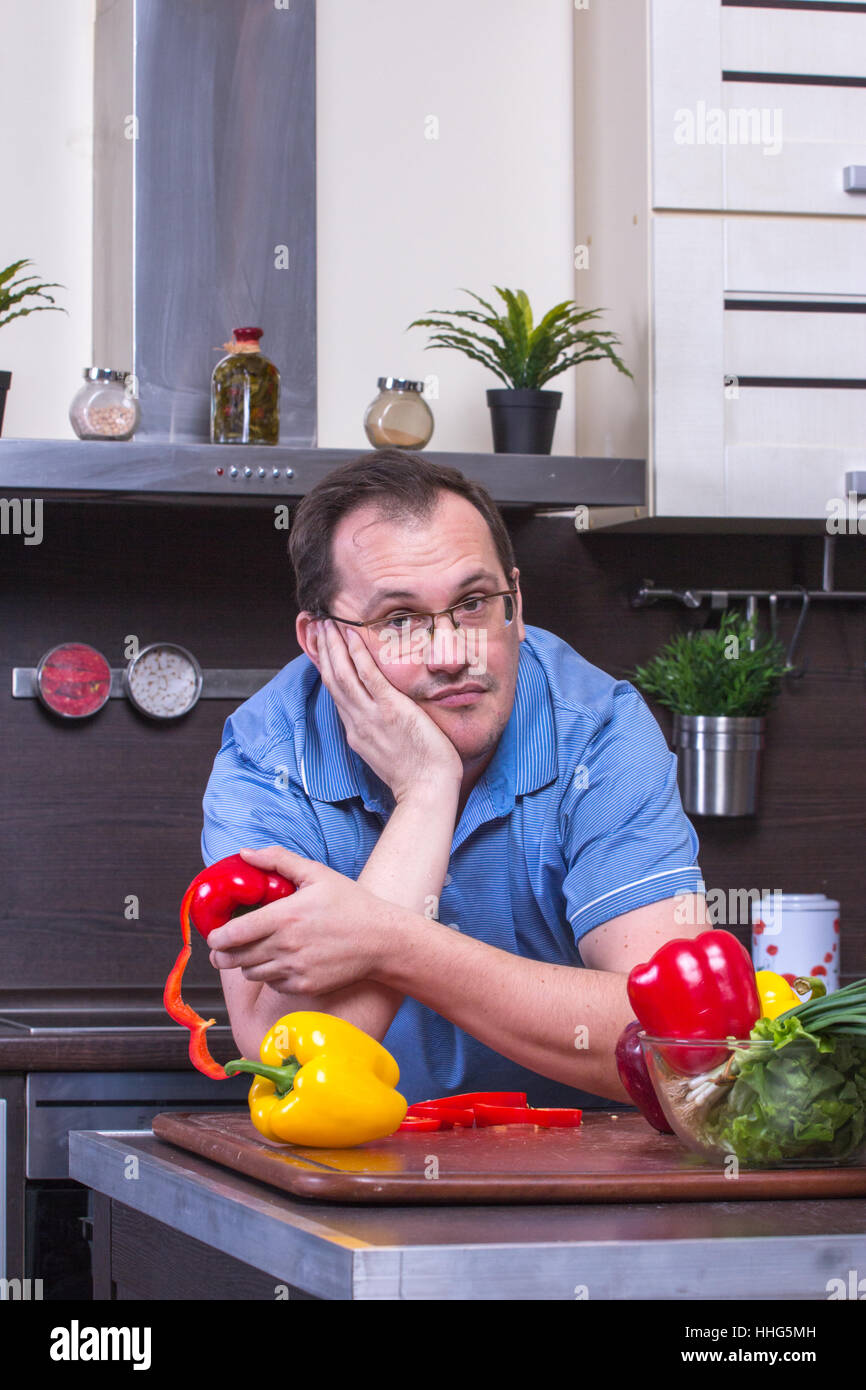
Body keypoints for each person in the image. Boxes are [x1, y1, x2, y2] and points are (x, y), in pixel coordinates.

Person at [201, 448, 707, 1107]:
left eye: (472, 604)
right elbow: (291, 1052)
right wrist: (427, 793)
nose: (452, 656)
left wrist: (386, 940)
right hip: (357, 1163)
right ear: (321, 642)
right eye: (400, 619)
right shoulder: (269, 756)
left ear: (516, 606)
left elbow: (680, 1043)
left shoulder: (599, 731)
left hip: (586, 1173)